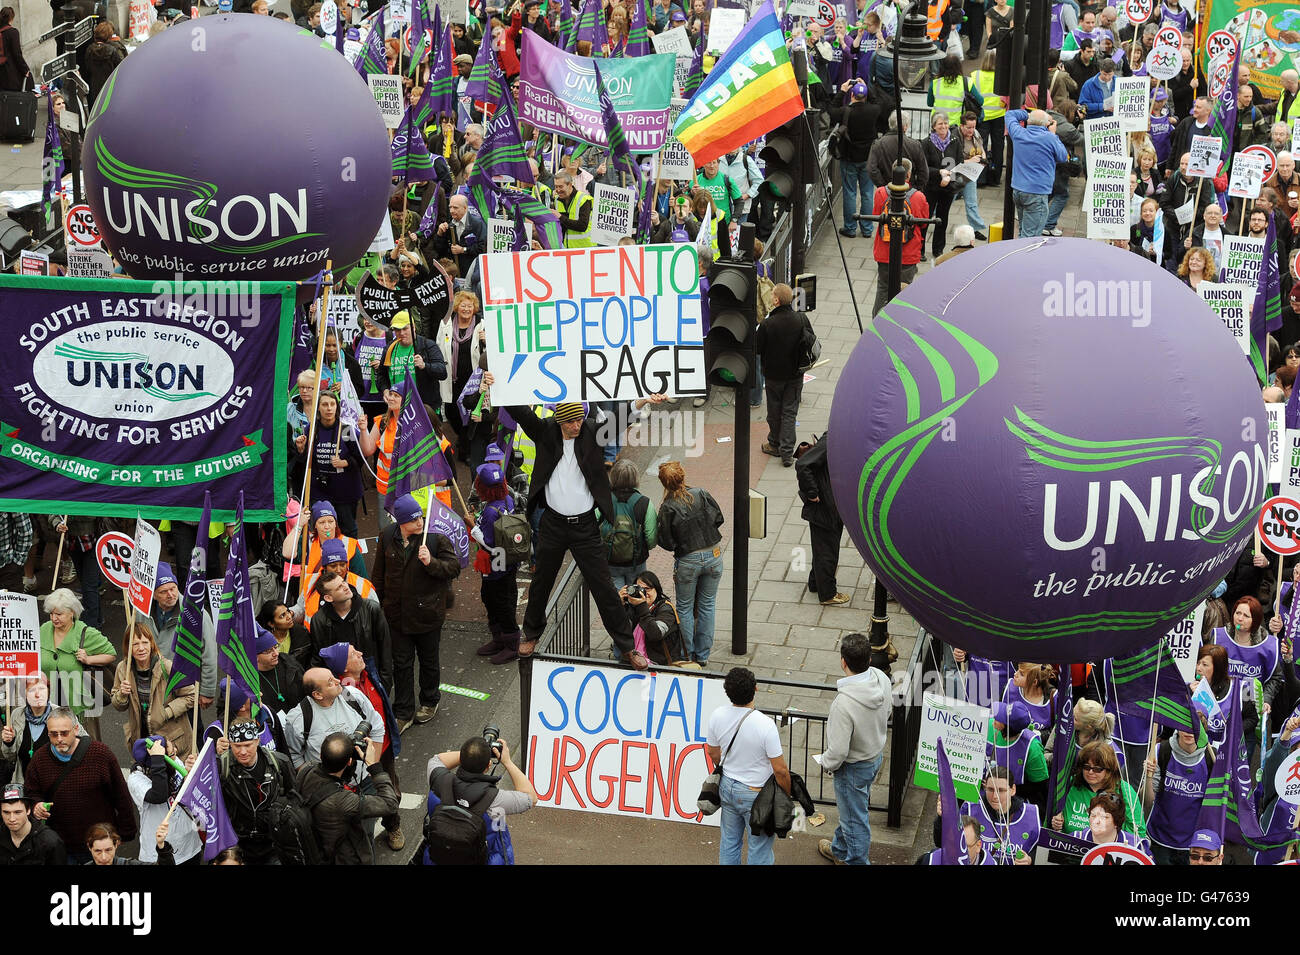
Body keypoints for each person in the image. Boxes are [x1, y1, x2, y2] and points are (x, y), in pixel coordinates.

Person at [488, 389, 648, 668]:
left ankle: (627, 646)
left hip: (585, 526)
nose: (577, 426)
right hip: (553, 523)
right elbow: (520, 411)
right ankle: (531, 633)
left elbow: (618, 419)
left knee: (604, 587)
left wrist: (641, 402)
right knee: (541, 583)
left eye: (579, 421)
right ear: (559, 421)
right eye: (571, 422)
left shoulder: (590, 431)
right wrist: (498, 384)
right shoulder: (544, 431)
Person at [372, 493, 462, 730]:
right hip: (397, 615)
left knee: (429, 660)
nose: (420, 523)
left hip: (427, 615)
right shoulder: (387, 536)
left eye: (420, 517)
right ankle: (404, 711)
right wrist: (378, 605)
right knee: (401, 663)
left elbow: (453, 568)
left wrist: (430, 562)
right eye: (413, 520)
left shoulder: (435, 538)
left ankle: (430, 701)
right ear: (400, 522)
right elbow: (379, 574)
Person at [24, 708, 137, 865]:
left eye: (64, 733)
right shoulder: (39, 759)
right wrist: (36, 805)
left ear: (76, 729)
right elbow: (31, 792)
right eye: (53, 734)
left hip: (97, 844)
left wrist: (125, 833)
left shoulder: (101, 754)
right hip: (60, 844)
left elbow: (121, 796)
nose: (59, 739)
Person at [816, 633, 890, 865]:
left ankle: (856, 860)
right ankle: (839, 850)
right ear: (869, 660)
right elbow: (887, 712)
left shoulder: (843, 705)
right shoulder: (881, 679)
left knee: (854, 822)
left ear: (843, 662)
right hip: (873, 757)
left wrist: (825, 762)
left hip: (852, 768)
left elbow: (837, 752)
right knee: (853, 811)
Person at [707, 667, 791, 865]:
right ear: (756, 688)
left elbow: (712, 752)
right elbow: (780, 770)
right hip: (756, 794)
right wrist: (785, 794)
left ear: (727, 692)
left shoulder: (717, 716)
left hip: (727, 787)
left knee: (729, 842)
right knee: (759, 849)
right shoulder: (765, 725)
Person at [424, 735, 538, 865]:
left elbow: (437, 759)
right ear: (488, 765)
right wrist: (507, 761)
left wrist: (470, 754)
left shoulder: (438, 779)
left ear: (461, 759)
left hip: (440, 856)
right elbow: (532, 798)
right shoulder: (495, 799)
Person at [656, 461, 725, 665]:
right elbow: (718, 518)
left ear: (664, 483)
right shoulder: (701, 493)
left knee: (685, 608)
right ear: (683, 476)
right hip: (713, 554)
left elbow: (666, 542)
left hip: (688, 559)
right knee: (707, 605)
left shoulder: (667, 507)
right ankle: (703, 655)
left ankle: (687, 654)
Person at [295, 732, 398, 864]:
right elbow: (390, 804)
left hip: (317, 845)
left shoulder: (306, 771)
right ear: (349, 761)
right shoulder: (342, 801)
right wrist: (374, 766)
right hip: (342, 857)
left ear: (321, 756)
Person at [110, 619, 198, 759]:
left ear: (151, 644)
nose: (141, 648)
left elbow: (192, 695)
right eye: (135, 644)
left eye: (145, 642)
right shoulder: (123, 669)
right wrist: (121, 694)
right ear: (128, 647)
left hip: (172, 742)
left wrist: (166, 712)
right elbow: (117, 705)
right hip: (143, 739)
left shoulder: (167, 667)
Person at [467, 462, 526, 665]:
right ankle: (500, 638)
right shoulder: (507, 499)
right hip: (506, 563)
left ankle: (511, 644)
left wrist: (473, 527)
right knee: (496, 598)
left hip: (495, 564)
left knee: (499, 602)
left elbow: (490, 544)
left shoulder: (492, 511)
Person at [217, 720, 298, 865]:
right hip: (237, 843)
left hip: (273, 843)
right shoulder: (221, 766)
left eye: (247, 745)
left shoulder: (279, 763)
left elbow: (295, 801)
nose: (242, 752)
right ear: (230, 743)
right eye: (237, 746)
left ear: (257, 741)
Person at [39, 588, 115, 740]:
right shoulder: (44, 629)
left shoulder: (86, 633)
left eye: (59, 614)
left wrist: (89, 660)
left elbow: (111, 654)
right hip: (49, 705)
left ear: (72, 613)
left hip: (80, 707)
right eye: (51, 613)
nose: (54, 618)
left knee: (85, 750)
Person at [756, 283, 815, 467]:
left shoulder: (767, 324)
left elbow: (758, 348)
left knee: (774, 411)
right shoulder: (801, 319)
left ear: (776, 300)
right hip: (795, 375)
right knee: (789, 412)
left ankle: (774, 443)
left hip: (774, 377)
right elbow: (811, 340)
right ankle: (787, 453)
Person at [1143, 726, 1215, 865]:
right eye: (1184, 726)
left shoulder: (1212, 758)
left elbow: (1216, 807)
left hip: (1194, 843)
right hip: (1159, 838)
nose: (1189, 732)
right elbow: (1147, 801)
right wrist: (1148, 778)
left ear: (1204, 729)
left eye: (1195, 727)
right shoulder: (1160, 750)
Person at [151, 562, 219, 708]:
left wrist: (207, 691)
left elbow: (209, 654)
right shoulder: (141, 613)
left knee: (191, 729)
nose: (170, 595)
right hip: (153, 687)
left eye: (173, 588)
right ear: (154, 595)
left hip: (185, 689)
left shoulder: (196, 613)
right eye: (163, 591)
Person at [938, 766, 1038, 865]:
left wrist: (1030, 860)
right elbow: (945, 843)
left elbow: (1040, 850)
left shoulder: (1031, 814)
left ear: (1013, 790)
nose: (995, 796)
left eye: (1001, 790)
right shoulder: (970, 808)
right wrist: (943, 819)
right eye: (990, 789)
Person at [1050, 740, 1147, 842]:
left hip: (1110, 852)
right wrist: (1057, 822)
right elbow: (1058, 820)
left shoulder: (1124, 790)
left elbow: (1138, 832)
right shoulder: (1070, 784)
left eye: (1097, 769)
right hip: (1072, 848)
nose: (1090, 772)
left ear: (1109, 770)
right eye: (1087, 767)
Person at [127, 736, 202, 865]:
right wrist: (158, 760)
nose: (176, 754)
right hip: (158, 853)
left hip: (189, 847)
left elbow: (188, 796)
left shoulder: (175, 762)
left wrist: (191, 773)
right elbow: (159, 795)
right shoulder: (136, 778)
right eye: (171, 753)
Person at [871, 157, 930, 316]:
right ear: (909, 175)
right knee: (904, 293)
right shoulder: (918, 197)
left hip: (884, 252)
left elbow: (876, 215)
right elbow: (923, 223)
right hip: (908, 254)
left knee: (882, 290)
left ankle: (876, 327)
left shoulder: (881, 193)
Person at [796, 431, 848, 606]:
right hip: (826, 505)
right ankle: (827, 594)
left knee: (821, 546)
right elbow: (803, 464)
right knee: (828, 550)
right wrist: (812, 493)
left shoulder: (835, 437)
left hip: (828, 503)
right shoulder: (832, 439)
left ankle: (816, 583)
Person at [829, 79, 881, 238]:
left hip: (849, 158)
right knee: (867, 193)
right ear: (865, 97)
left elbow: (831, 109)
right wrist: (867, 87)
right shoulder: (874, 110)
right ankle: (867, 228)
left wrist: (842, 90)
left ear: (852, 95)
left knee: (850, 193)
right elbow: (878, 102)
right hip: (868, 159)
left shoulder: (845, 111)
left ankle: (850, 228)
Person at [1005, 109, 1068, 239]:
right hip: (1036, 194)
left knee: (1024, 231)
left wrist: (1029, 115)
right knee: (1030, 239)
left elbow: (1009, 114)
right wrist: (1054, 133)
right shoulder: (1050, 138)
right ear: (1046, 124)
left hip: (1018, 190)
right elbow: (1063, 157)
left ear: (1029, 122)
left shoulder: (1018, 133)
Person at [600, 459, 657, 593]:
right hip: (636, 563)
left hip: (610, 561)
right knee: (637, 596)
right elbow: (651, 537)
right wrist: (642, 547)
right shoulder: (645, 503)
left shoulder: (604, 500)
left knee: (618, 599)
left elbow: (592, 524)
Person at [375, 310, 448, 411]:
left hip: (424, 407)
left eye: (405, 329)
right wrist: (385, 390)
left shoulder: (427, 345)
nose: (401, 333)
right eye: (397, 330)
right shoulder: (389, 348)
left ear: (413, 327)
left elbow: (442, 372)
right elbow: (381, 375)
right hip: (398, 407)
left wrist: (424, 365)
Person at [921, 111, 961, 259]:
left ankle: (938, 250)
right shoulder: (926, 143)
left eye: (945, 123)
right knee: (926, 218)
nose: (943, 126)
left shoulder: (955, 141)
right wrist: (940, 172)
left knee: (942, 219)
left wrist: (949, 176)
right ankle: (920, 250)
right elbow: (923, 167)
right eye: (940, 124)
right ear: (934, 126)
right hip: (931, 187)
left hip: (948, 188)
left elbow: (959, 163)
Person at [0, 674, 50, 785]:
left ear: (48, 691)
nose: (38, 695)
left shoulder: (61, 714)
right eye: (32, 690)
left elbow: (82, 741)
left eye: (42, 689)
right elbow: (10, 757)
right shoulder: (17, 715)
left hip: (52, 787)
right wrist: (9, 742)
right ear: (25, 694)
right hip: (23, 785)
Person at [0, 783, 66, 865]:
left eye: (17, 812)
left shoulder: (50, 842)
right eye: (6, 812)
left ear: (28, 810)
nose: (12, 819)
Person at [0, 8, 30, 93]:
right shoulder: (13, 32)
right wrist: (25, 69)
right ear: (11, 18)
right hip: (10, 71)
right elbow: (17, 54)